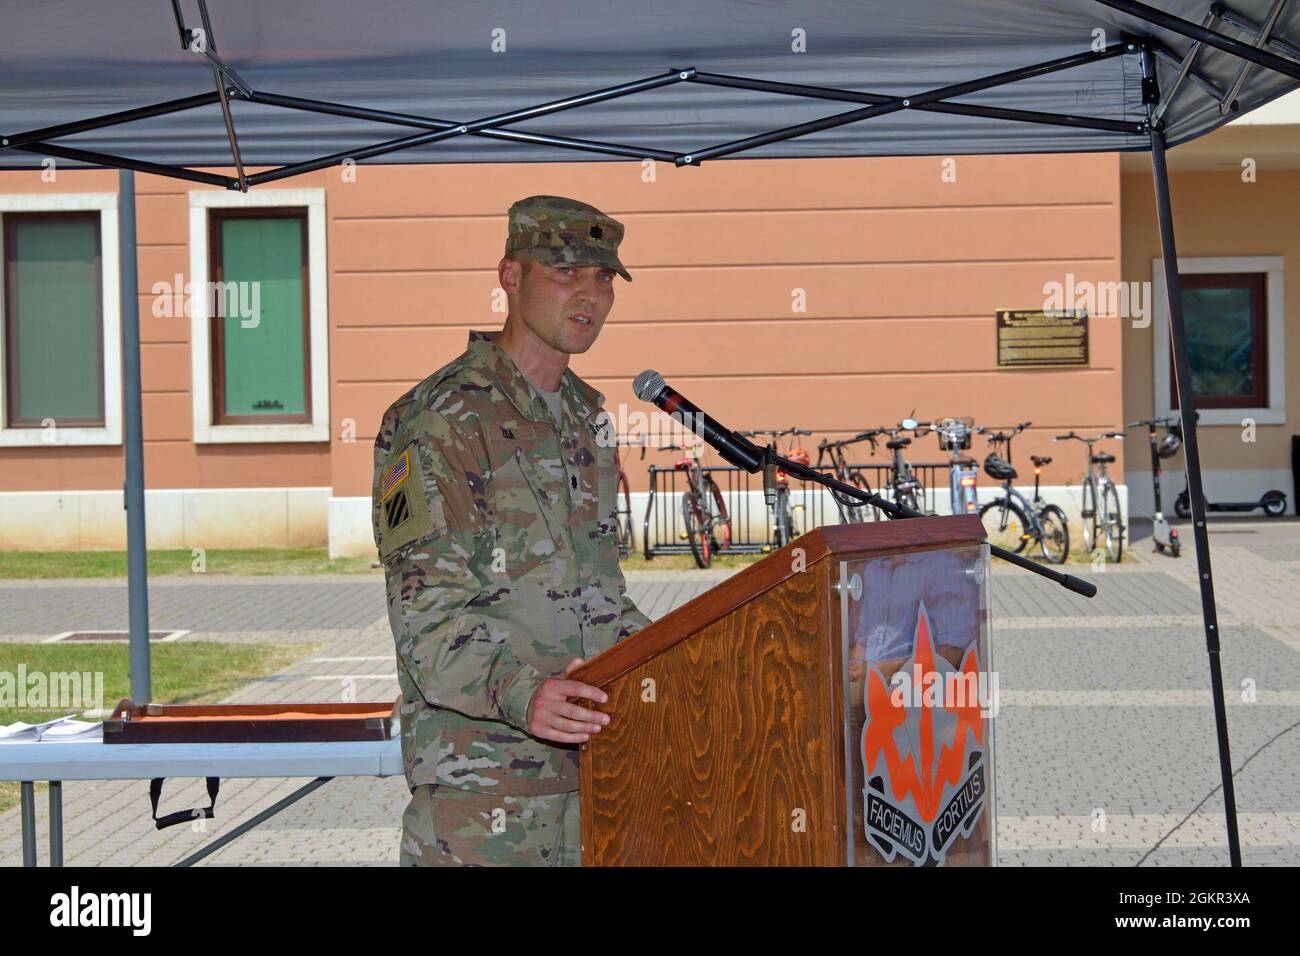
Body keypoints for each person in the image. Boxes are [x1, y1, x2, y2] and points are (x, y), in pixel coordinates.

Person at [372, 194, 653, 866]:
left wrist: (683, 660)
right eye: (565, 273)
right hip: (485, 804)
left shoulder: (586, 419)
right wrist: (525, 694)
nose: (590, 294)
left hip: (595, 790)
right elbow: (426, 624)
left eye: (605, 277)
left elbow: (602, 598)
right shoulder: (442, 420)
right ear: (510, 277)